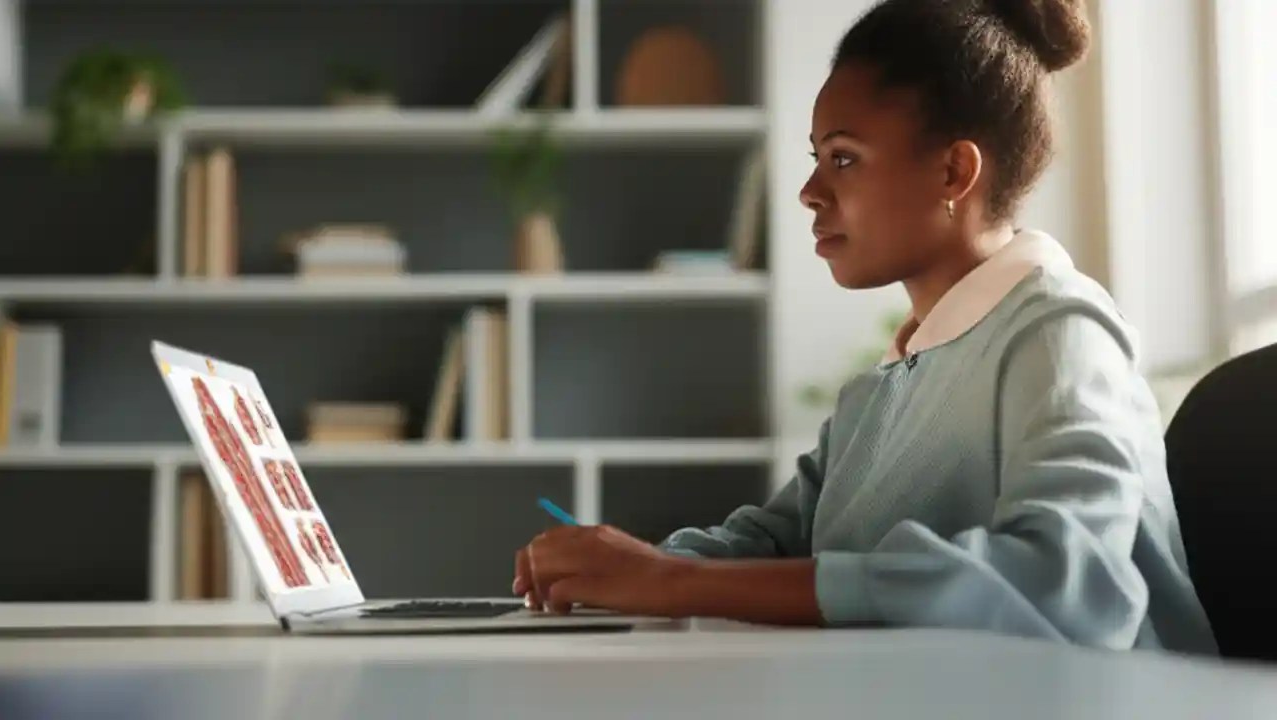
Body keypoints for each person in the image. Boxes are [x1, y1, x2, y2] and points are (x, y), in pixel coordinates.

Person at [512, 0, 1219, 654]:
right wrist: (632, 565)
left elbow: (1063, 587)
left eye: (844, 158)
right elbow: (784, 542)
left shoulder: (1063, 338)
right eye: (816, 158)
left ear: (953, 170)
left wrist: (672, 584)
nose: (810, 192)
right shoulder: (890, 380)